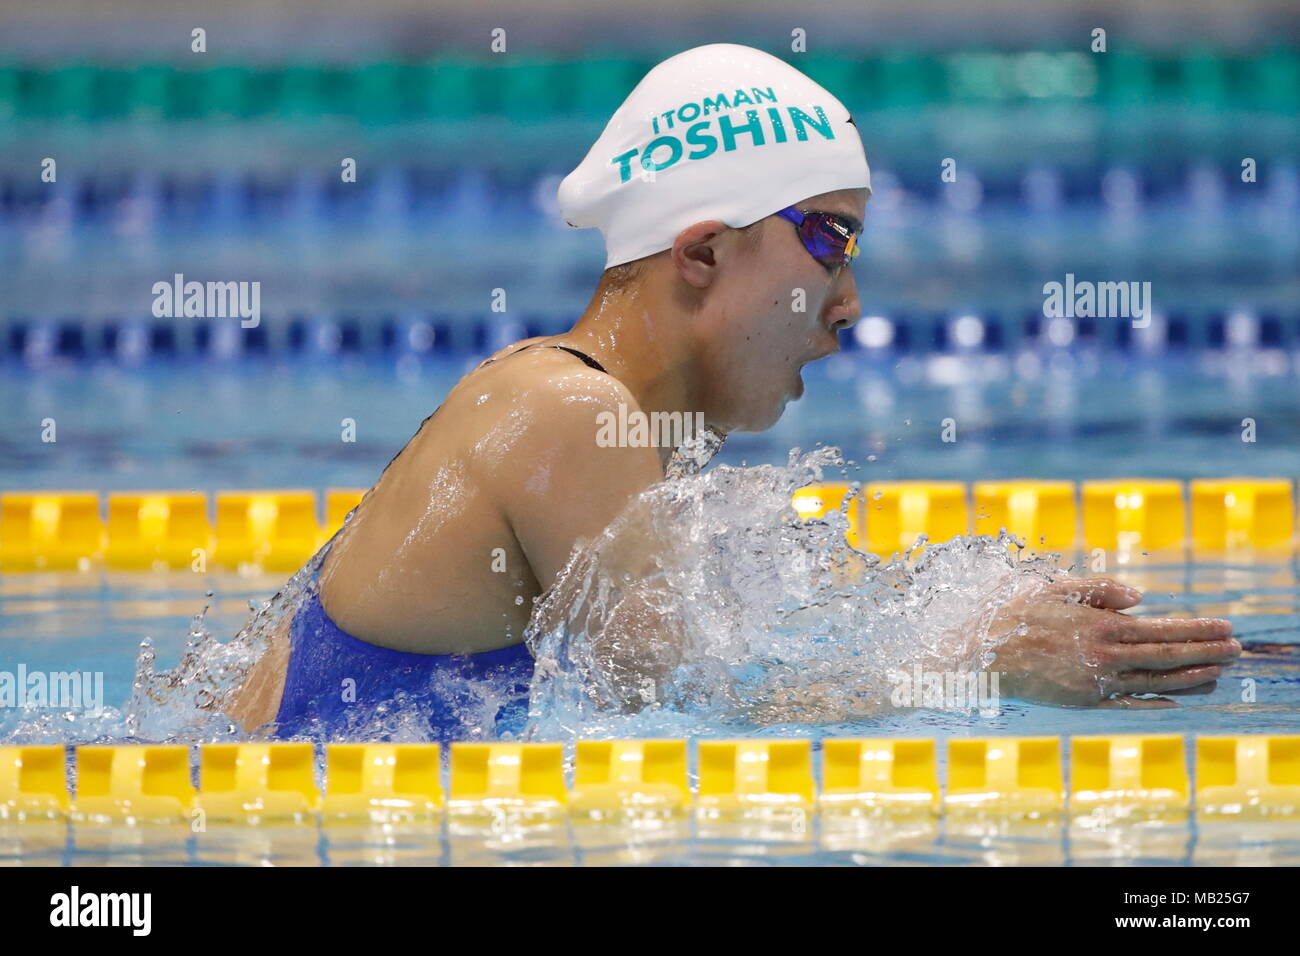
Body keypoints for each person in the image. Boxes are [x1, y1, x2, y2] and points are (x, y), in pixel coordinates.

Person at [227, 43, 1239, 737]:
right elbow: (685, 724)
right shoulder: (568, 414)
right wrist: (982, 662)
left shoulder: (571, 407)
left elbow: (689, 688)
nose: (850, 305)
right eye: (831, 241)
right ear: (704, 250)